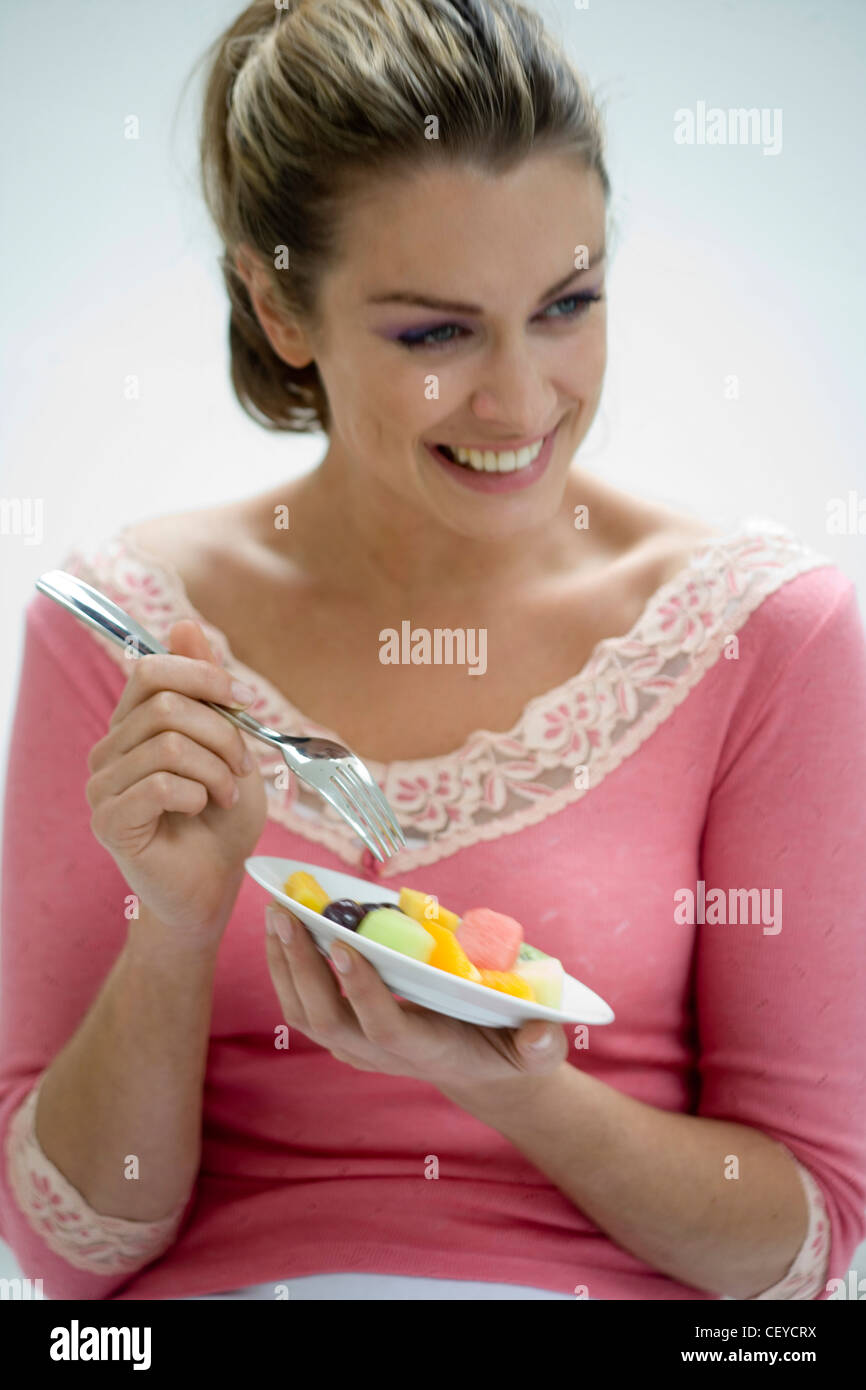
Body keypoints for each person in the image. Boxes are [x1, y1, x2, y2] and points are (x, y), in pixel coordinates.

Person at [1, 0, 864, 1303]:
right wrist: (172, 930)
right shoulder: (117, 632)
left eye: (566, 305)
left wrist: (505, 1081)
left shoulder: (767, 636)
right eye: (433, 334)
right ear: (278, 307)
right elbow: (72, 1251)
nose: (521, 403)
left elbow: (798, 1254)